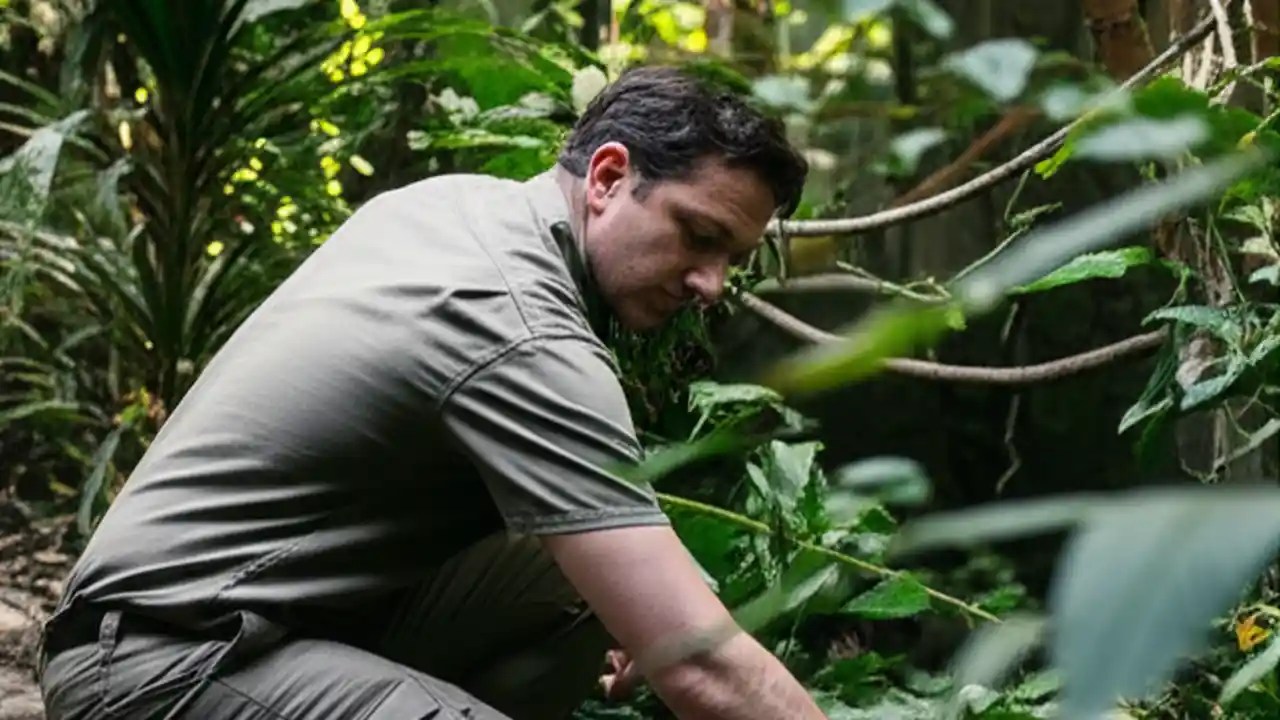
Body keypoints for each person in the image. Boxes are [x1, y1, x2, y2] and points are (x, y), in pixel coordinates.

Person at [36, 65, 822, 720]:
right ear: (610, 177)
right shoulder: (521, 329)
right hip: (159, 666)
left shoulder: (457, 209)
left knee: (583, 583)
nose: (712, 285)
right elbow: (702, 668)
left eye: (734, 259)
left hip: (230, 621)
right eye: (701, 236)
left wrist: (651, 621)